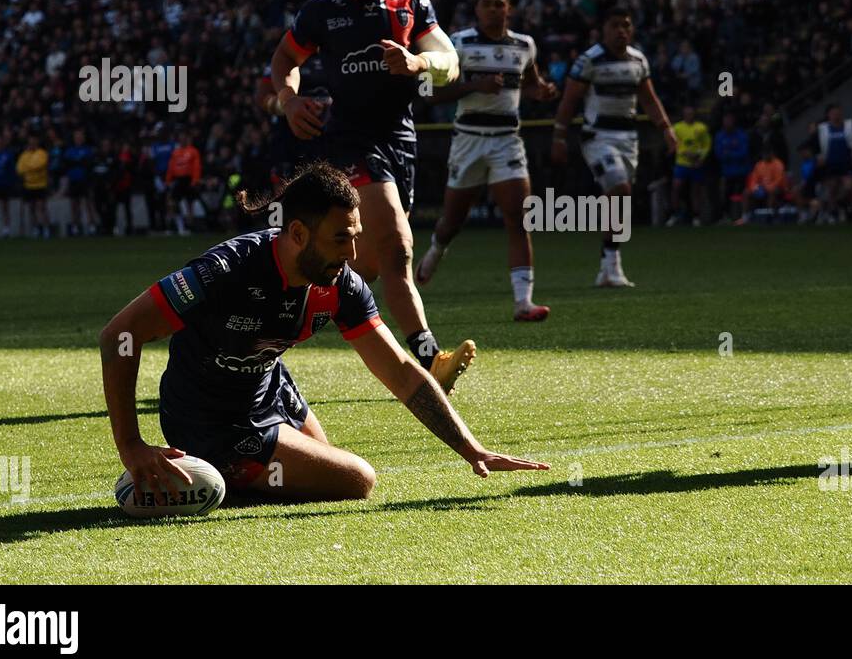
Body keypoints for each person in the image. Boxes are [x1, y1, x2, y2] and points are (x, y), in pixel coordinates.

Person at [100, 162, 548, 502]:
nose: (352, 253)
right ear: (297, 233)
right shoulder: (226, 271)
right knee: (357, 479)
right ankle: (212, 475)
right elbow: (120, 335)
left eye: (356, 236)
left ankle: (235, 476)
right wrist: (131, 445)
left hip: (270, 391)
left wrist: (473, 450)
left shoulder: (339, 286)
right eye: (339, 238)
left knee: (325, 470)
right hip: (205, 421)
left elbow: (400, 371)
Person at [268, 0, 474, 393]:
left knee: (361, 268)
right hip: (349, 143)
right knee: (398, 247)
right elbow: (284, 60)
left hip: (401, 140)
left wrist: (418, 61)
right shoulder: (322, 11)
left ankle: (259, 342)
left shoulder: (411, 5)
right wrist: (289, 100)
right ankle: (431, 359)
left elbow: (449, 61)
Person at [416, 0, 558, 322]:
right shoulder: (459, 44)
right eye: (487, 4)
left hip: (507, 140)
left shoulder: (524, 45)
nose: (494, 9)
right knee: (453, 220)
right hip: (468, 139)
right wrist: (473, 86)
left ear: (509, 10)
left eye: (500, 4)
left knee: (518, 218)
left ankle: (523, 302)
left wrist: (541, 91)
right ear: (477, 9)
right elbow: (429, 93)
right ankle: (437, 248)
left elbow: (531, 82)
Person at [550, 7, 677, 287]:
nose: (621, 31)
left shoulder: (638, 60)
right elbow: (570, 100)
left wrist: (666, 128)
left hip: (628, 137)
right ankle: (611, 264)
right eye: (615, 25)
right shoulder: (589, 60)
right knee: (620, 188)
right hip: (598, 137)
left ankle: (608, 267)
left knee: (620, 197)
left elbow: (649, 99)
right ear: (603, 30)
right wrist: (559, 136)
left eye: (626, 25)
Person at [668, 104, 711, 226]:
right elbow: (673, 143)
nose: (689, 115)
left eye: (691, 113)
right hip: (682, 163)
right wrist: (683, 152)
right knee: (676, 187)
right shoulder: (677, 127)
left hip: (696, 164)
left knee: (695, 190)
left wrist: (701, 158)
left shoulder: (701, 128)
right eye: (687, 113)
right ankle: (674, 214)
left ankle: (696, 217)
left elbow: (707, 144)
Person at [15, 134, 51, 238]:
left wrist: (27, 167)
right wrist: (30, 167)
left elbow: (39, 165)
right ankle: (36, 228)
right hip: (28, 185)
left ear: (37, 142)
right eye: (30, 142)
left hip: (40, 185)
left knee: (41, 207)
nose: (32, 143)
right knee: (32, 208)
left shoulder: (42, 153)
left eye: (34, 141)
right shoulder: (24, 155)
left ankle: (46, 228)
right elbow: (19, 169)